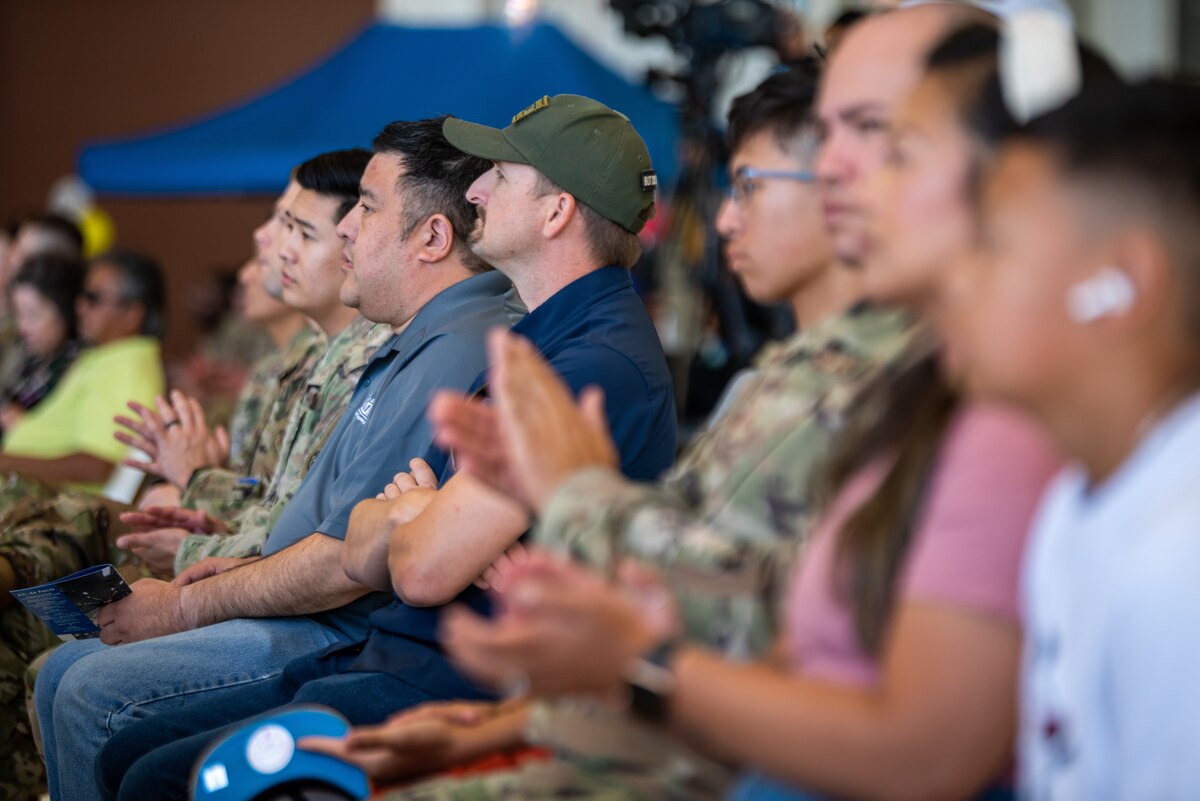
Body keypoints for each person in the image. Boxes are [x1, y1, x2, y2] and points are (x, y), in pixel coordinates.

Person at [353, 14, 1070, 801]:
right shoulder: (854, 376)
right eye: (831, 134)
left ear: (1010, 168)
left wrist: (577, 502)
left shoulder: (979, 409)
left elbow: (906, 739)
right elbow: (774, 632)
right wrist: (501, 725)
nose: (838, 169)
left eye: (881, 135)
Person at [94, 96, 680, 801]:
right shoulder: (547, 336)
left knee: (154, 775)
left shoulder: (589, 362)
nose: (476, 190)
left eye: (501, 175)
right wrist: (417, 517)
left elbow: (422, 568)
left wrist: (420, 516)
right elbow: (379, 537)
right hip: (399, 656)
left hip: (450, 682)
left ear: (556, 212)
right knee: (132, 754)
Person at [35, 119, 524, 801]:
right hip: (305, 605)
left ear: (434, 238)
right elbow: (312, 522)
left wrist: (186, 600)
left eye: (365, 208)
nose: (352, 230)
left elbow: (341, 561)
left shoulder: (451, 350)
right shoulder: (412, 342)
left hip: (330, 626)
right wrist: (226, 555)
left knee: (88, 689)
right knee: (65, 675)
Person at [947, 79, 1200, 801]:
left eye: (989, 246)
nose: (958, 281)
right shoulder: (1076, 501)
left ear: (1117, 285)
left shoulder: (1180, 564)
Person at [0, 249, 165, 490]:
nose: (80, 307)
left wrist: (5, 462)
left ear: (132, 314)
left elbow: (96, 467)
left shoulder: (126, 368)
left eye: (93, 298)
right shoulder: (108, 357)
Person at [0, 255, 85, 429]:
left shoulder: (79, 367)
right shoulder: (29, 358)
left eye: (33, 315)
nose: (23, 327)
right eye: (19, 314)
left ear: (66, 311)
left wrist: (25, 425)